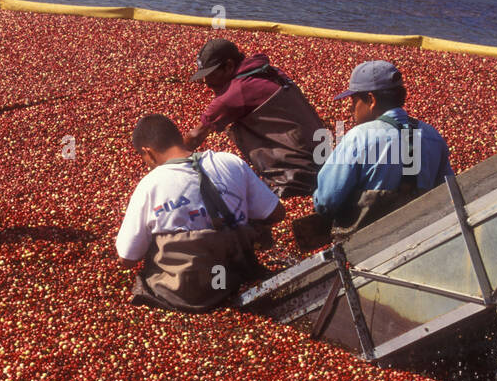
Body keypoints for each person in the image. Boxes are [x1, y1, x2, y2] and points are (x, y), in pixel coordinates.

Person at [117, 113, 285, 312]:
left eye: (143, 158)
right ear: (179, 137)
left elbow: (127, 258)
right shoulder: (229, 161)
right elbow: (276, 213)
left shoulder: (150, 186)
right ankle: (227, 279)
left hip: (191, 292)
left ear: (148, 152)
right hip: (239, 276)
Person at [313, 60, 451, 239]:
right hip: (420, 240)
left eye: (353, 100)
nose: (350, 108)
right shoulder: (432, 136)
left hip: (365, 247)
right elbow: (447, 193)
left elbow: (326, 202)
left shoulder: (359, 137)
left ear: (371, 99)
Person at [183, 39, 327, 199]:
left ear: (229, 66)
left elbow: (195, 137)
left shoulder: (236, 92)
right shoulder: (269, 72)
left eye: (210, 74)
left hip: (297, 176)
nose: (206, 82)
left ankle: (283, 187)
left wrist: (166, 164)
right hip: (324, 162)